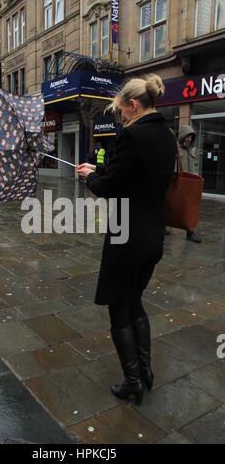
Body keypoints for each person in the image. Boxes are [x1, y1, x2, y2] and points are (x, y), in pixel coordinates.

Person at [77, 75, 176, 406]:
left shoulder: (133, 135)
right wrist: (99, 170)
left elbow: (110, 188)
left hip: (127, 237)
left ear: (134, 105)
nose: (120, 117)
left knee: (119, 308)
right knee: (135, 302)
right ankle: (145, 372)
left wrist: (91, 176)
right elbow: (135, 178)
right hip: (153, 236)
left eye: (121, 111)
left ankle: (133, 383)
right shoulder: (166, 134)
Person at [178, 125, 202, 243]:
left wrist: (197, 178)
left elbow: (195, 166)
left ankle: (190, 232)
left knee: (190, 209)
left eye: (191, 137)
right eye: (187, 136)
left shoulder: (192, 150)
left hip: (191, 184)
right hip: (179, 183)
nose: (189, 139)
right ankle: (164, 227)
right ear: (182, 136)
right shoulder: (176, 150)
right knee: (173, 205)